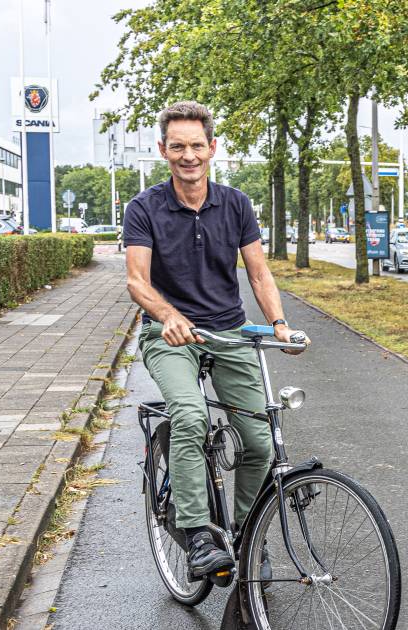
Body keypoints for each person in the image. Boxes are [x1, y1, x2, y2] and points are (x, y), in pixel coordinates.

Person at [123, 101, 311, 580]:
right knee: (189, 415)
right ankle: (199, 535)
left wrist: (279, 324)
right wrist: (166, 314)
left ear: (212, 149)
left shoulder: (236, 204)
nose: (189, 156)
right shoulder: (144, 208)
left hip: (228, 332)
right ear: (164, 150)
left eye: (197, 146)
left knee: (259, 440)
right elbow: (137, 282)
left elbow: (259, 272)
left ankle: (249, 537)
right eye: (178, 146)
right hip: (171, 335)